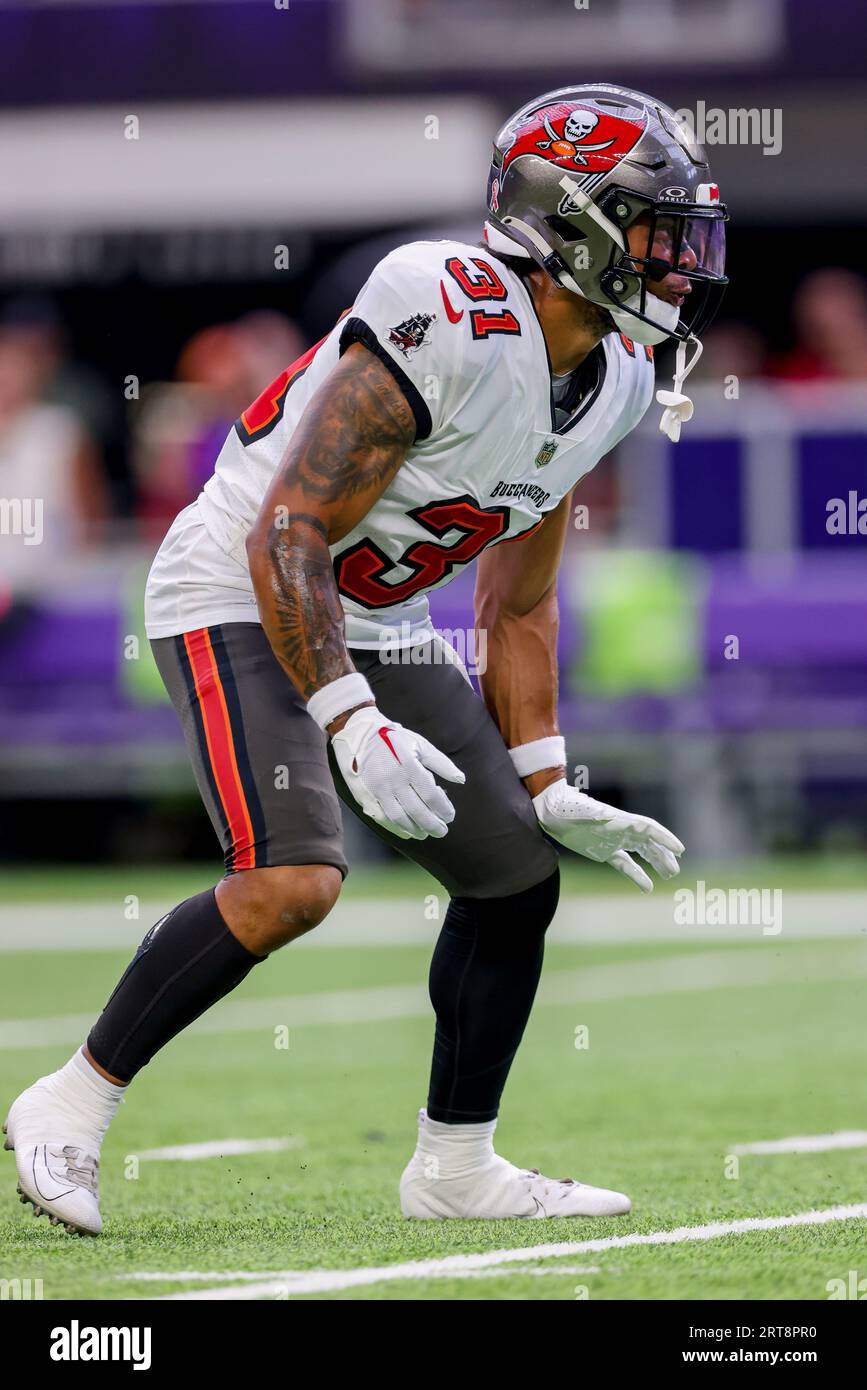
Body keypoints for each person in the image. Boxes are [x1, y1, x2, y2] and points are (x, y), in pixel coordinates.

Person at [4, 83, 728, 1235]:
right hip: (240, 579)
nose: (681, 263)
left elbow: (520, 593)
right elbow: (287, 528)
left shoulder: (618, 377)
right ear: (568, 222)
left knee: (516, 876)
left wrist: (544, 774)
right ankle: (71, 1100)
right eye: (653, 229)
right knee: (295, 878)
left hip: (375, 612)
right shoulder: (444, 307)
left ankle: (456, 1167)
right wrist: (345, 715)